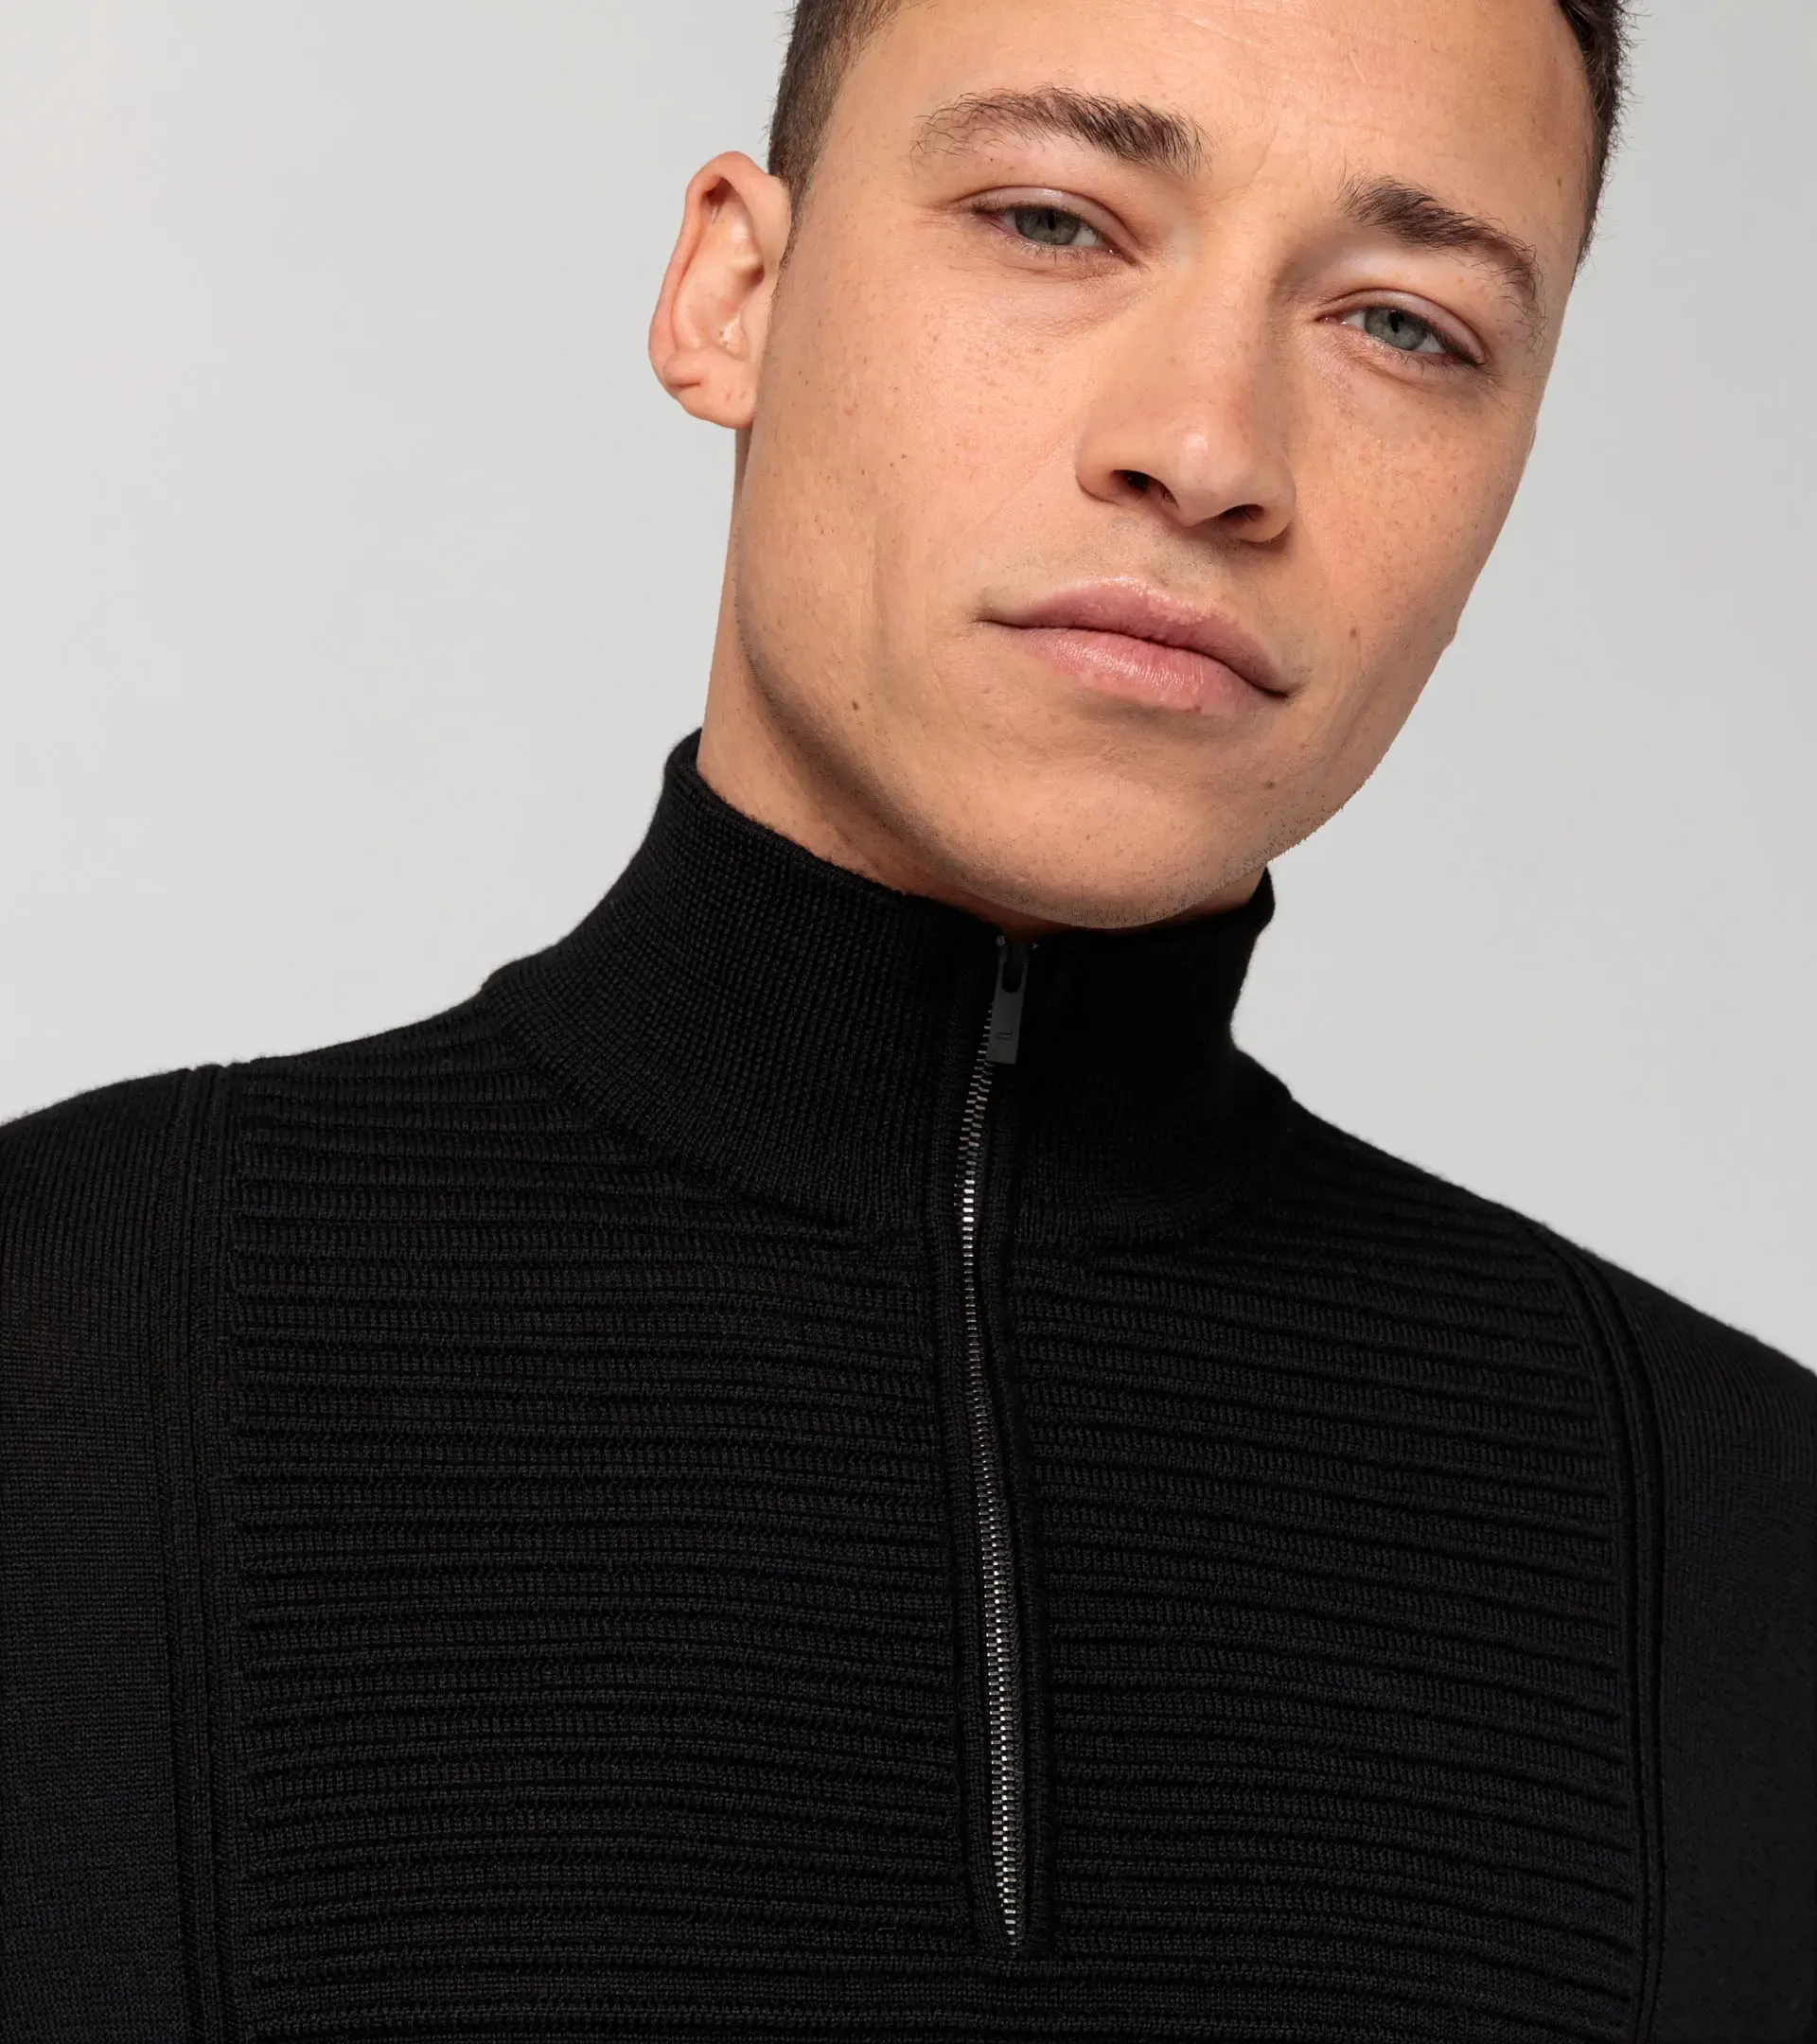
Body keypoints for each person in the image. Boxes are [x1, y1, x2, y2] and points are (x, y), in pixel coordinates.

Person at [4, 0, 1810, 2035]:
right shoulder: (59, 1343)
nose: (1208, 450)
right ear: (732, 293)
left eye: (1405, 325)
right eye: (1054, 221)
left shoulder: (1744, 1539)